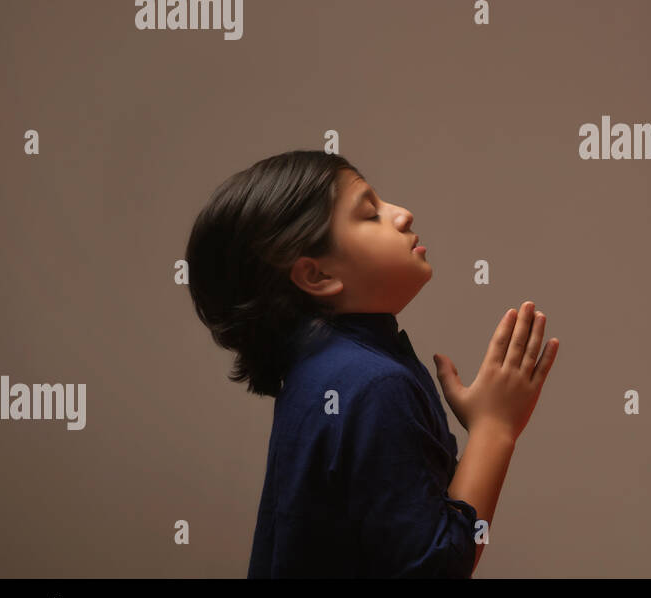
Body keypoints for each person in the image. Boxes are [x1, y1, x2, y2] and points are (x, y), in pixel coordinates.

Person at [185, 149, 559, 576]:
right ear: (317, 276)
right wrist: (496, 429)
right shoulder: (372, 385)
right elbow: (438, 568)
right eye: (370, 214)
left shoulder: (321, 372)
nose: (402, 214)